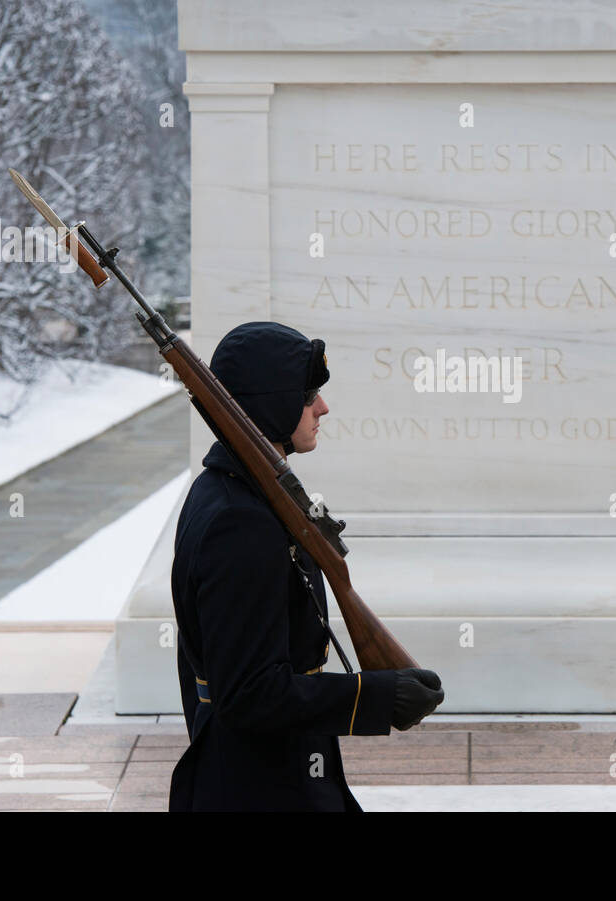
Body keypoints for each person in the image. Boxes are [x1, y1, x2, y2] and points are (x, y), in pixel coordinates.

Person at [168, 321, 444, 811]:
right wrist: (375, 696)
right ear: (271, 402)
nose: (323, 407)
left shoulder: (228, 493)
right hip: (261, 788)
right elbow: (247, 694)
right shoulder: (240, 521)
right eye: (308, 394)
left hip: (275, 770)